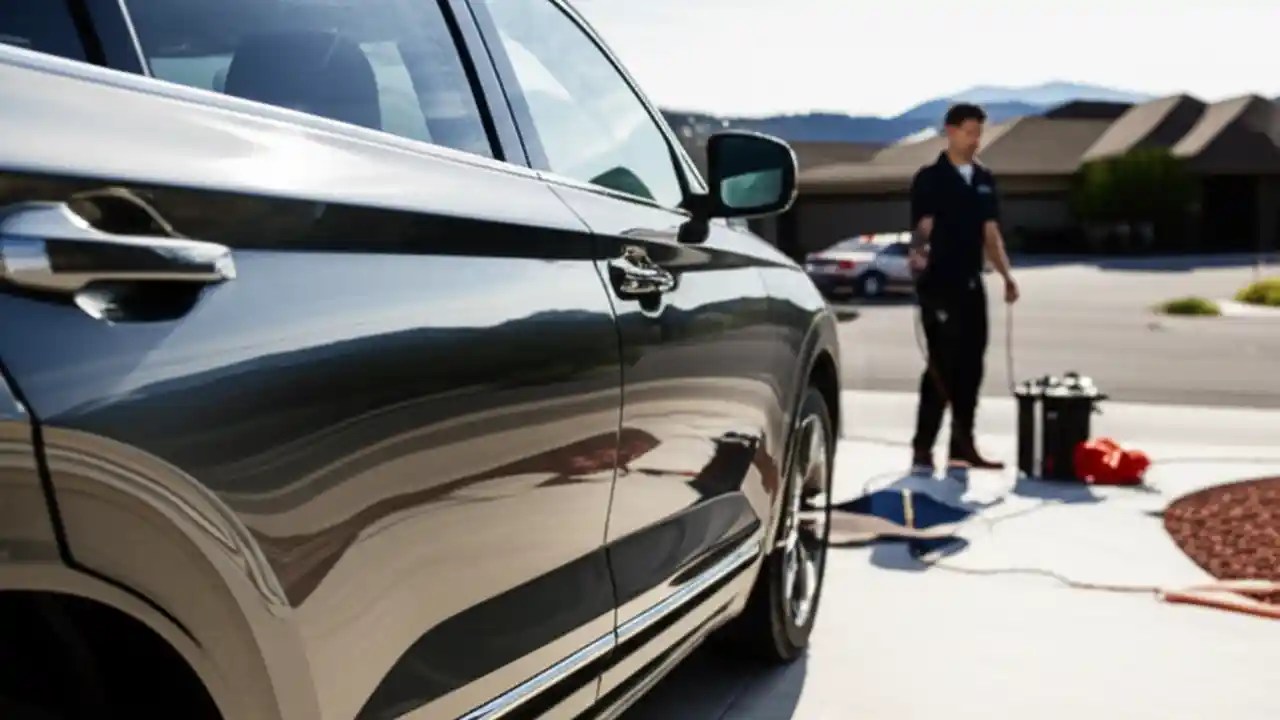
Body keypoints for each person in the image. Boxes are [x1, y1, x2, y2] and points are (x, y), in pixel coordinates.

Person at [907, 103, 1019, 474]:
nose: (976, 140)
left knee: (971, 368)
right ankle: (923, 447)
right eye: (970, 132)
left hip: (972, 286)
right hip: (939, 285)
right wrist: (919, 256)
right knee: (942, 367)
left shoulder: (984, 178)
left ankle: (962, 447)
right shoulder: (930, 177)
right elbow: (924, 226)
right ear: (951, 131)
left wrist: (1006, 276)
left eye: (980, 132)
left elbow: (991, 233)